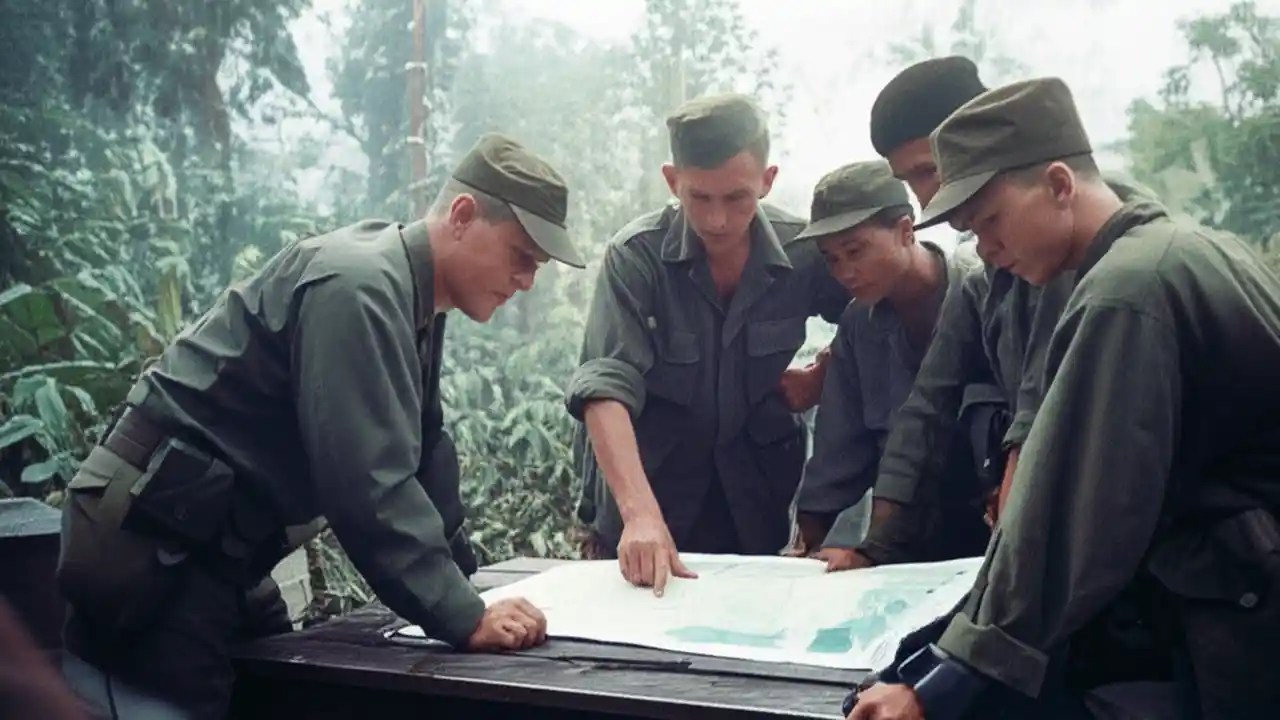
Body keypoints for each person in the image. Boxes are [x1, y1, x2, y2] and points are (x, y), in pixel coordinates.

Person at [55, 132, 582, 720]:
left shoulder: (411, 295)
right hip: (154, 545)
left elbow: (424, 451)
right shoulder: (359, 285)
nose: (527, 280)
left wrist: (468, 589)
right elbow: (365, 482)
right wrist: (463, 615)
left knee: (283, 688)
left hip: (221, 548)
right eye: (521, 255)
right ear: (462, 215)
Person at [848, 76, 1280, 720]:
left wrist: (944, 683)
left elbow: (1079, 514)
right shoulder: (1189, 248)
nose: (986, 249)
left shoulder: (1124, 292)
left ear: (1058, 184)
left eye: (990, 221)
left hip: (1240, 617)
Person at [566, 93, 849, 595]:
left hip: (754, 506)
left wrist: (823, 372)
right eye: (699, 198)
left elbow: (874, 314)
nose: (718, 219)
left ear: (768, 180)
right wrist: (640, 515)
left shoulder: (806, 251)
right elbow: (605, 388)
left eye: (737, 198)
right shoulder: (636, 258)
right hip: (649, 500)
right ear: (672, 181)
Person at [786, 160, 990, 567]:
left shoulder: (985, 293)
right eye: (831, 259)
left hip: (997, 523)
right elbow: (838, 449)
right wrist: (802, 548)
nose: (845, 272)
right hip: (908, 538)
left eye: (855, 251)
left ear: (905, 230)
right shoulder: (857, 326)